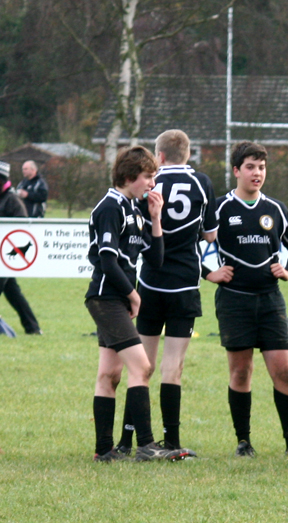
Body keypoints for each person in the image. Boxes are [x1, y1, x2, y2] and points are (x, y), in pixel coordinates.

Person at [113, 130, 215, 457]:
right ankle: (171, 441)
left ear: (159, 156)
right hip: (185, 284)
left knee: (141, 366)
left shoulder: (149, 183)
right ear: (188, 153)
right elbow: (211, 235)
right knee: (173, 368)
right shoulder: (202, 183)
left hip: (151, 284)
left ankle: (127, 440)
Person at [86, 146, 188, 462]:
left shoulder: (134, 209)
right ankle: (146, 445)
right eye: (148, 176)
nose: (152, 184)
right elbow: (106, 258)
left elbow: (155, 260)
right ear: (130, 176)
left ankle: (105, 451)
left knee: (109, 375)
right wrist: (133, 294)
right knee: (142, 366)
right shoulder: (109, 208)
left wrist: (155, 218)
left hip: (116, 300)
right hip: (106, 298)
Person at [207, 141, 288, 457]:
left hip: (269, 300)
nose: (257, 173)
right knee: (240, 371)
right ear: (236, 171)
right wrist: (209, 273)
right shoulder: (220, 208)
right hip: (234, 300)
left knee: (283, 371)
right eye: (250, 167)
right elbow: (190, 244)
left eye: (262, 167)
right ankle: (243, 441)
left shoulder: (275, 209)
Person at [0, 160, 42, 335]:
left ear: (0, 179)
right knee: (13, 292)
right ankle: (33, 328)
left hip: (4, 255)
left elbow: (22, 226)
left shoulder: (12, 199)